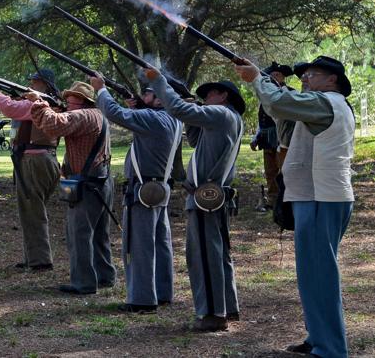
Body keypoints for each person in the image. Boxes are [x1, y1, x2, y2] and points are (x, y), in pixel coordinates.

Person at [236, 56, 354, 357]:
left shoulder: (325, 101)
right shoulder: (325, 103)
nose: (304, 79)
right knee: (312, 273)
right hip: (318, 195)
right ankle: (319, 338)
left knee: (319, 275)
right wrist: (268, 85)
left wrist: (256, 80)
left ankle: (330, 348)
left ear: (332, 80)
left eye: (311, 75)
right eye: (303, 76)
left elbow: (278, 105)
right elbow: (282, 116)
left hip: (319, 197)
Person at [146, 68, 244, 332]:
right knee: (218, 253)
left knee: (204, 255)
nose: (206, 97)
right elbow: (194, 138)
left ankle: (212, 314)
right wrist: (191, 113)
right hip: (212, 196)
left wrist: (158, 81)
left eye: (211, 92)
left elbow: (178, 110)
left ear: (224, 96)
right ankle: (227, 307)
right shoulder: (228, 117)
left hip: (206, 197)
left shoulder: (221, 113)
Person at [91, 76, 180, 313]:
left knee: (139, 245)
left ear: (159, 98)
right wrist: (140, 106)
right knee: (161, 243)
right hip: (159, 188)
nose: (144, 97)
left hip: (143, 190)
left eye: (148, 94)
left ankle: (141, 299)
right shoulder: (173, 118)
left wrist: (101, 89)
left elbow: (114, 113)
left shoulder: (153, 118)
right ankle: (162, 292)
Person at [26, 81, 114, 296]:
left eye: (71, 99)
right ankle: (105, 276)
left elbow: (54, 125)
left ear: (82, 101)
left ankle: (83, 283)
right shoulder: (96, 115)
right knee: (99, 233)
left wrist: (38, 103)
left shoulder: (84, 115)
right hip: (100, 179)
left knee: (79, 234)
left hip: (87, 182)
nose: (67, 102)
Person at [0, 69, 61, 271]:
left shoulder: (38, 103)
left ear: (45, 85)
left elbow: (9, 108)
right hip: (42, 159)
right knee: (31, 210)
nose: (32, 85)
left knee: (32, 211)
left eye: (36, 82)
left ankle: (40, 261)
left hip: (34, 160)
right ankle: (33, 257)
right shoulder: (51, 102)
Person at [250, 62, 294, 211]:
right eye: (272, 74)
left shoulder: (290, 93)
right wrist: (256, 138)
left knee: (283, 170)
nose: (274, 77)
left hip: (283, 139)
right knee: (270, 171)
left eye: (277, 75)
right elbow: (261, 120)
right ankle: (272, 199)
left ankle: (285, 200)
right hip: (266, 138)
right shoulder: (266, 95)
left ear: (283, 77)